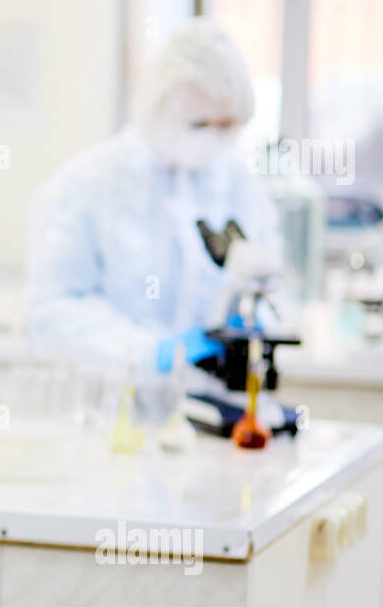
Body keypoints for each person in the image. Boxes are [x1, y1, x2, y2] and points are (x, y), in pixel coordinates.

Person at [25, 20, 283, 375]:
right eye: (199, 124)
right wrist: (148, 352)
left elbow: (271, 284)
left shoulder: (239, 185)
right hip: (114, 400)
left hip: (211, 401)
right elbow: (53, 309)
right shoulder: (90, 183)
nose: (213, 138)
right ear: (159, 109)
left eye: (226, 126)